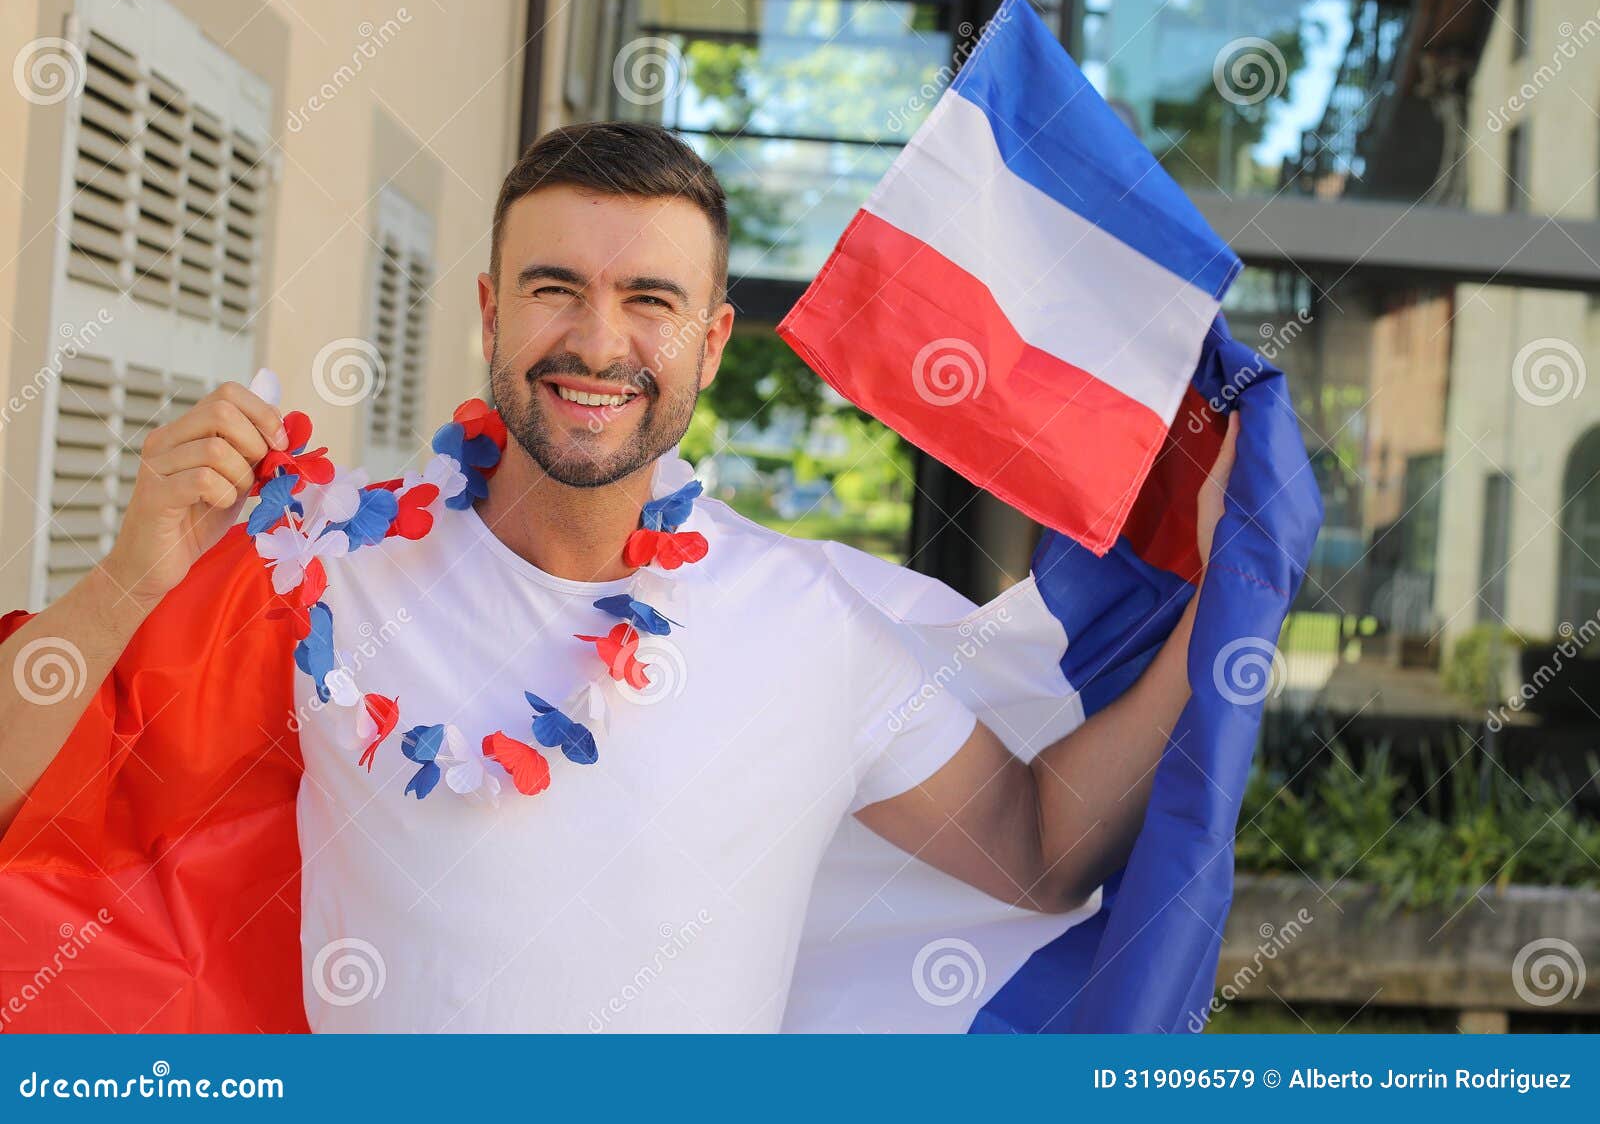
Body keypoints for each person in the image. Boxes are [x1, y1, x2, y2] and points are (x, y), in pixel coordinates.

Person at [0, 121, 1236, 1032]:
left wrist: (1225, 604)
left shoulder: (815, 625)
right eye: (555, 290)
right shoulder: (321, 568)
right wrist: (127, 577)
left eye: (649, 300)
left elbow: (1035, 847)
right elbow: (21, 791)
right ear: (491, 312)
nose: (598, 341)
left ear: (709, 342)